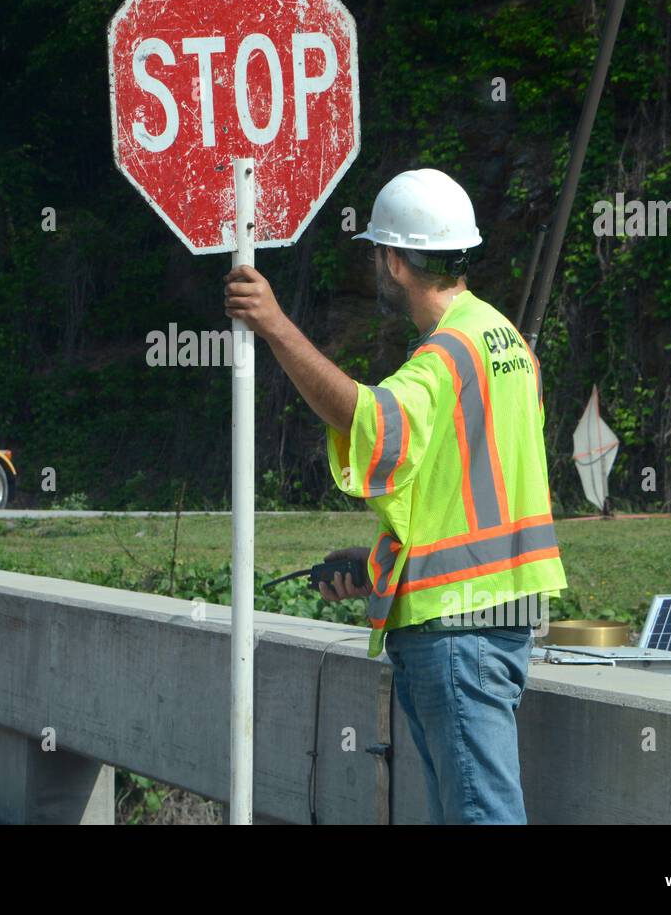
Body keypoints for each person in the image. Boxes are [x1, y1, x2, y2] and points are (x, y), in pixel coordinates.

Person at [223, 167, 567, 824]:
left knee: (479, 817)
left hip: (458, 631)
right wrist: (382, 563)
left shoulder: (440, 360)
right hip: (502, 613)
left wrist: (274, 326)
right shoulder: (507, 341)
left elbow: (366, 422)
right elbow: (463, 488)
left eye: (378, 254)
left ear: (395, 260)